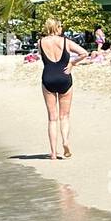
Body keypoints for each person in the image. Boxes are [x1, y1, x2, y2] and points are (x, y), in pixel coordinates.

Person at [38, 18, 87, 160]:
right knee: (64, 116)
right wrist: (72, 63)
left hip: (48, 77)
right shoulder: (66, 42)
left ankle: (53, 153)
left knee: (52, 118)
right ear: (57, 27)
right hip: (64, 76)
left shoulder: (40, 43)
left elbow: (43, 57)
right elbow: (84, 53)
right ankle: (65, 141)